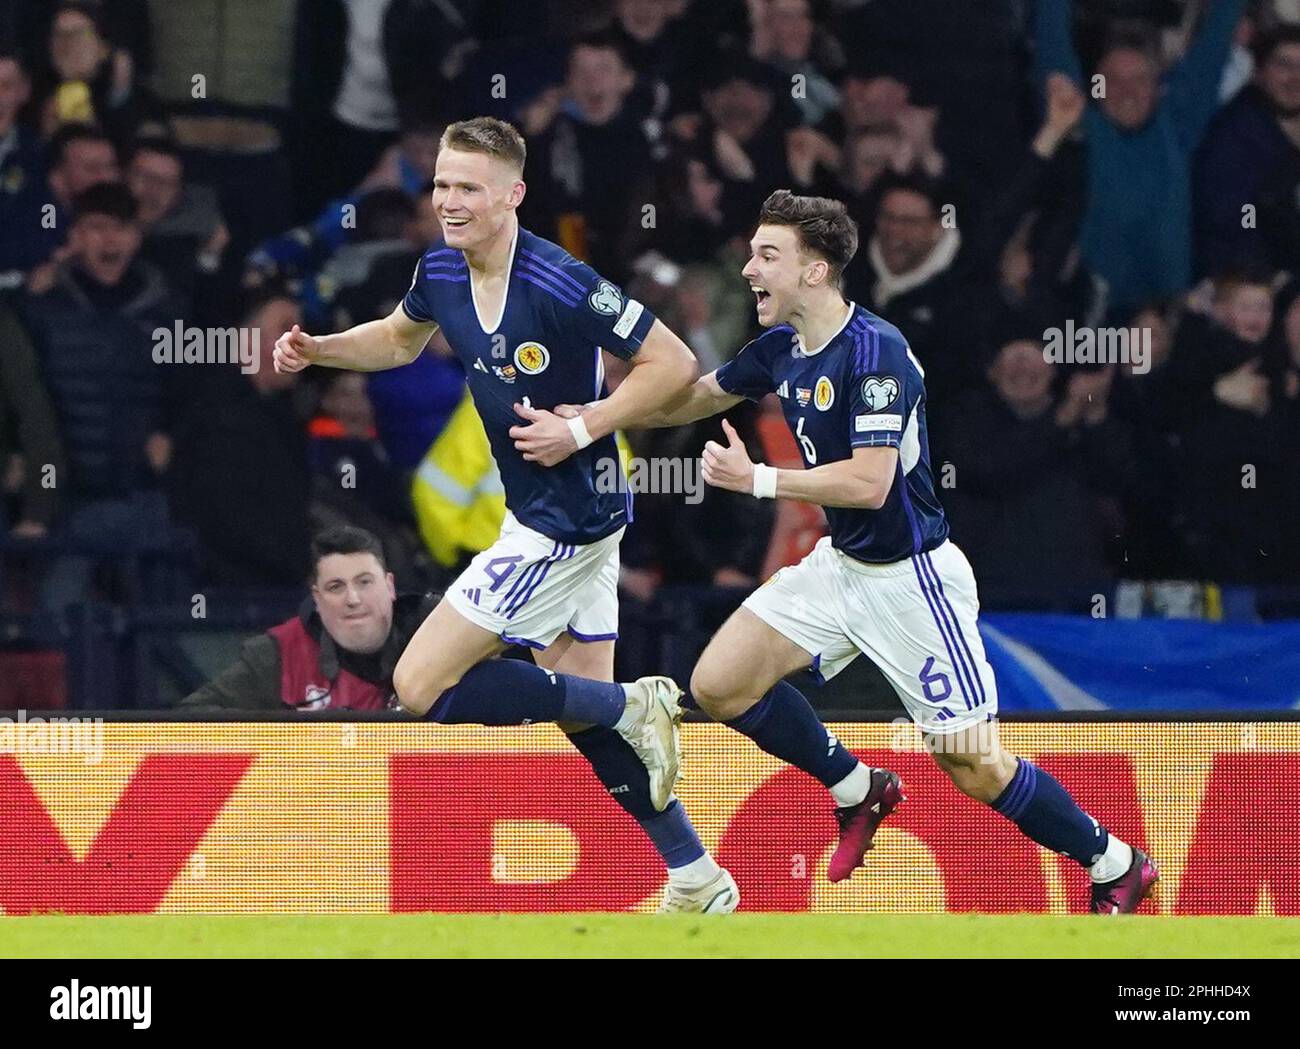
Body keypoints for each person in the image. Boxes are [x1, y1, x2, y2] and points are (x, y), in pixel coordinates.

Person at [566, 189, 1157, 913]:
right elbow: (695, 397)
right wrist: (597, 417)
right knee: (720, 684)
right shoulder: (780, 347)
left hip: (913, 583)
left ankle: (1114, 862)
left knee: (972, 762)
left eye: (766, 255)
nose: (748, 267)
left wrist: (756, 479)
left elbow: (871, 483)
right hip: (841, 569)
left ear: (815, 271)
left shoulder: (878, 354)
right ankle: (859, 787)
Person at [272, 116, 737, 913]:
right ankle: (696, 875)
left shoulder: (559, 280)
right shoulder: (443, 272)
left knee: (419, 682)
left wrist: (582, 425)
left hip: (565, 521)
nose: (449, 202)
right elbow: (396, 339)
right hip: (565, 519)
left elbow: (675, 363)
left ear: (513, 195)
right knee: (583, 716)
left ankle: (639, 702)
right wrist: (321, 349)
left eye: (468, 189)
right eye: (442, 185)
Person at [181, 526, 432, 711]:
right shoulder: (281, 654)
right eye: (336, 587)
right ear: (318, 599)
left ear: (390, 586)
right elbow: (189, 721)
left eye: (364, 582)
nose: (353, 599)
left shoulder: (435, 630)